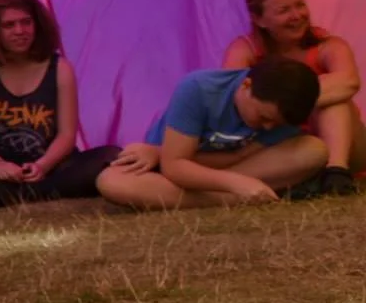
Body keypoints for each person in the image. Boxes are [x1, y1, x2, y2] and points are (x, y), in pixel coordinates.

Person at [0, 0, 112, 207]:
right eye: (9, 25)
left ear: (38, 25)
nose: (20, 31)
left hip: (55, 166)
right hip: (4, 171)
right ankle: (46, 192)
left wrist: (43, 165)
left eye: (26, 22)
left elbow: (67, 134)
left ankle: (13, 195)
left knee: (112, 157)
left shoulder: (59, 67)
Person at [96, 59, 326, 211]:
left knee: (314, 150)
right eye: (263, 117)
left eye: (276, 124)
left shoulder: (285, 111)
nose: (267, 128)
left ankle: (239, 193)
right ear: (246, 85)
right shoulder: (198, 88)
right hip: (173, 173)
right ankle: (239, 196)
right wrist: (237, 184)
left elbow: (234, 158)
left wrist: (236, 176)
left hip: (222, 166)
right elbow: (174, 166)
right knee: (112, 181)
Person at [222, 0, 361, 197]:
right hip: (284, 146)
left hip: (342, 145)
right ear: (259, 20)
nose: (297, 16)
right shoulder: (244, 50)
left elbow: (349, 82)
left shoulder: (329, 46)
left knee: (337, 102)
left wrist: (277, 103)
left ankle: (336, 174)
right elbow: (233, 100)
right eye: (284, 10)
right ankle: (302, 179)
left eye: (300, 5)